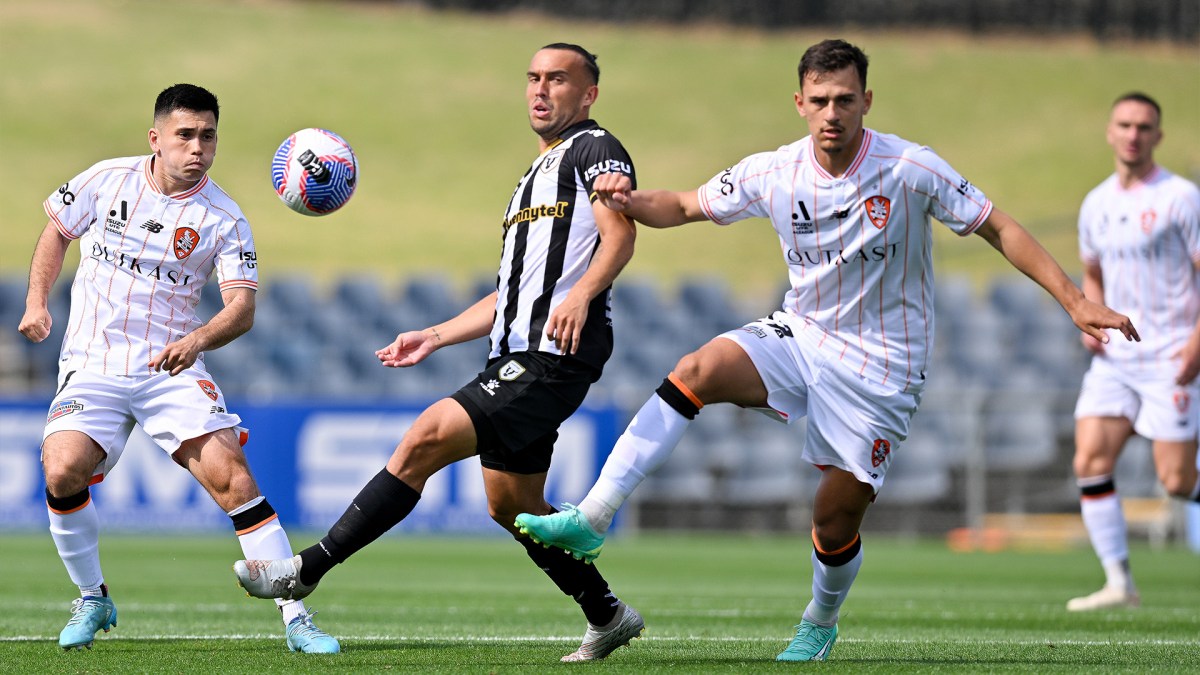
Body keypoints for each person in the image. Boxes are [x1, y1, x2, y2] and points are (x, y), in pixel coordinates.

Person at [513, 39, 1140, 662]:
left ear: (867, 100)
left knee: (834, 521)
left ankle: (820, 618)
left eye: (845, 99)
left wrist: (1075, 300)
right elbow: (681, 205)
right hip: (802, 335)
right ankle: (594, 516)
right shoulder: (773, 170)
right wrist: (626, 199)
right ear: (800, 103)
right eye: (820, 100)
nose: (832, 112)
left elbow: (998, 225)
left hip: (883, 367)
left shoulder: (909, 167)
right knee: (695, 370)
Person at [233, 43, 644, 662]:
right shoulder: (534, 176)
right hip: (517, 349)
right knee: (514, 507)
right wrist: (437, 333)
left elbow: (621, 235)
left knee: (425, 436)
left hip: (553, 355)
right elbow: (512, 292)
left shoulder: (594, 148)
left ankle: (306, 569)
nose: (541, 89)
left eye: (558, 80)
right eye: (532, 77)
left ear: (587, 94)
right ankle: (606, 613)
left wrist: (584, 292)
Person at [18, 84, 339, 653]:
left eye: (208, 137)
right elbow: (56, 233)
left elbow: (242, 308)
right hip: (93, 362)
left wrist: (196, 340)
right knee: (61, 472)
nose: (197, 148)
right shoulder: (105, 180)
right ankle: (92, 597)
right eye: (185, 135)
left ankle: (296, 615)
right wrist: (37, 302)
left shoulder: (224, 218)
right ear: (156, 137)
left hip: (172, 365)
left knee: (233, 480)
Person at [1067, 92, 1200, 612]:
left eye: (1144, 127)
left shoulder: (1180, 198)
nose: (1133, 134)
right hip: (1115, 358)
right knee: (1090, 459)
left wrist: (1196, 344)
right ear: (1109, 131)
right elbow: (1093, 271)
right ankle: (1119, 583)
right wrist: (1089, 314)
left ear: (1157, 137)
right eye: (1124, 124)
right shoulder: (1095, 203)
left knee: (1177, 479)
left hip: (1172, 353)